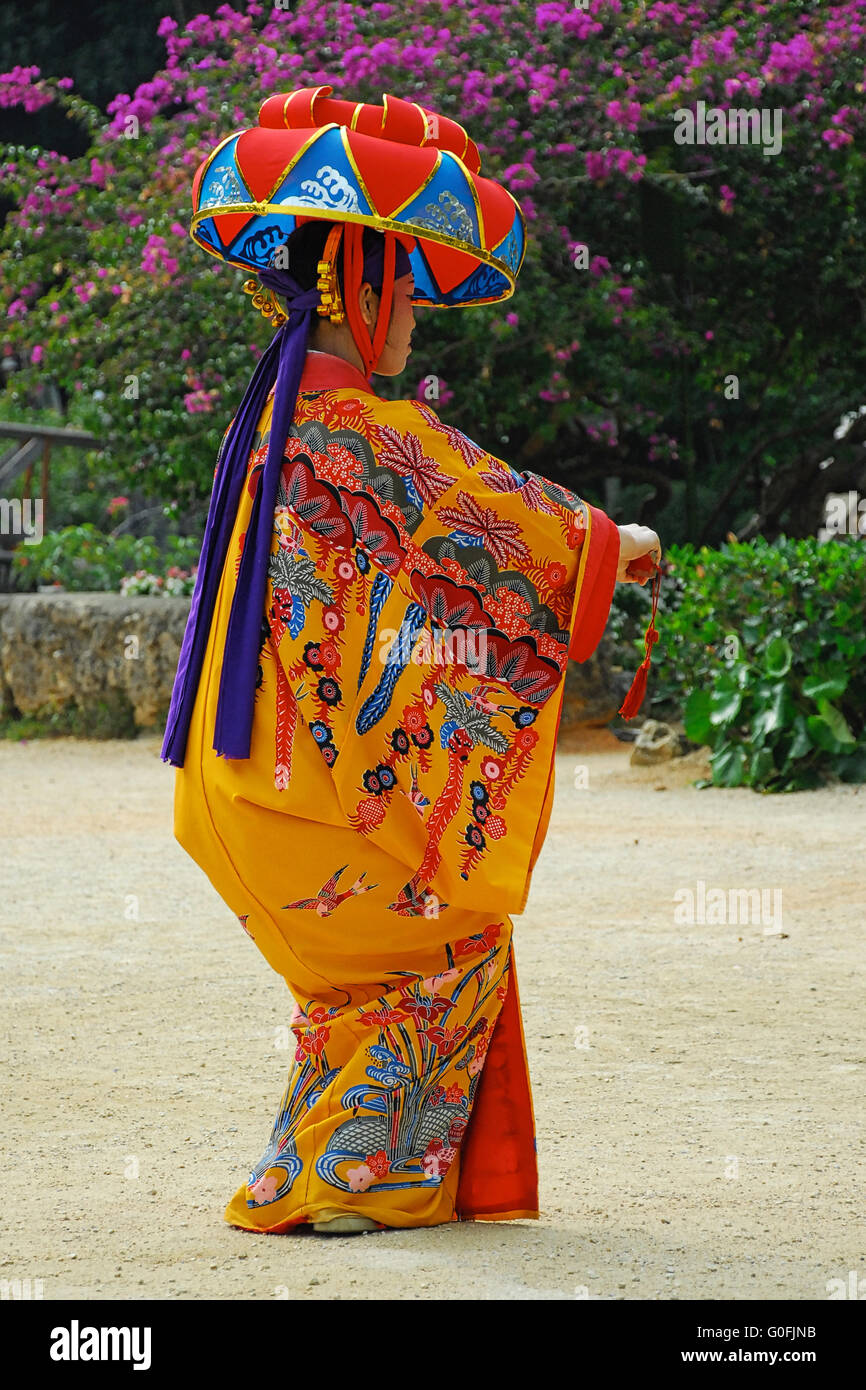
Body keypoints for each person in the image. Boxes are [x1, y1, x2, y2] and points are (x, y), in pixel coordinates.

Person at [161, 86, 661, 1236]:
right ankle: (357, 1178)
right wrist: (623, 547)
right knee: (449, 935)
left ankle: (312, 1159)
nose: (414, 329)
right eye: (409, 302)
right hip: (305, 815)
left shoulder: (273, 433)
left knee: (360, 979)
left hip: (233, 797)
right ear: (369, 287)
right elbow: (517, 525)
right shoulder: (373, 435)